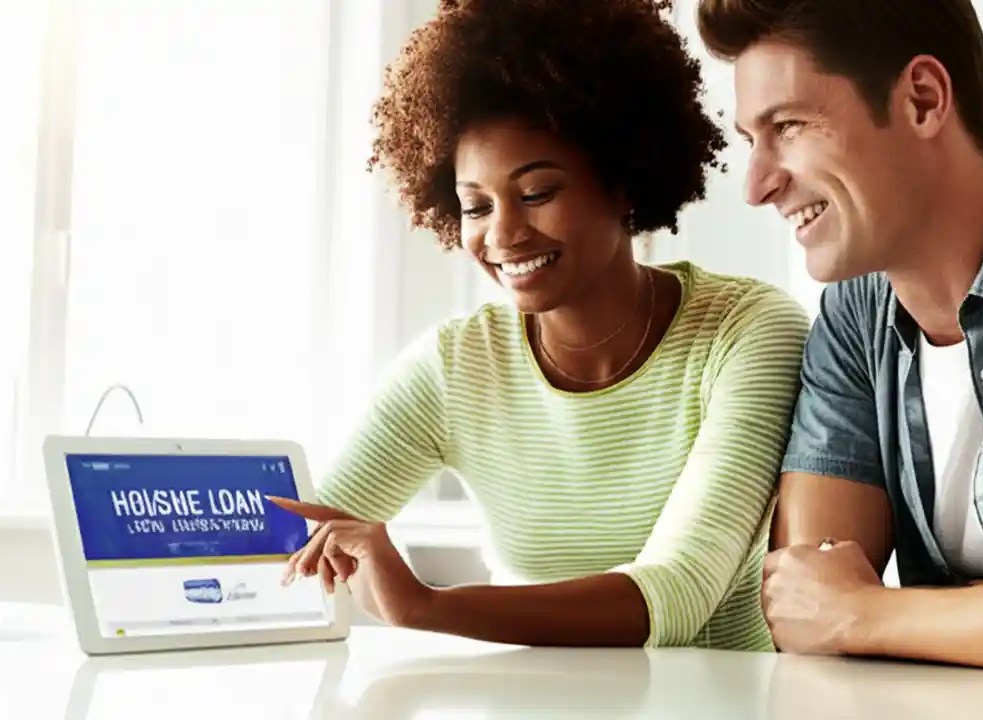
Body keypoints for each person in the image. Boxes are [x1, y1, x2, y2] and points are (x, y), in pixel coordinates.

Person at [269, 0, 808, 649]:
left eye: (536, 194)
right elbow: (305, 540)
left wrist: (426, 605)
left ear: (623, 183)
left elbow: (679, 592)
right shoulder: (456, 366)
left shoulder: (747, 332)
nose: (502, 234)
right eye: (475, 205)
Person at [696, 0, 983, 676]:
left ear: (924, 100)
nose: (758, 186)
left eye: (787, 125)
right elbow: (802, 607)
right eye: (749, 141)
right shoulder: (853, 316)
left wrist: (864, 613)